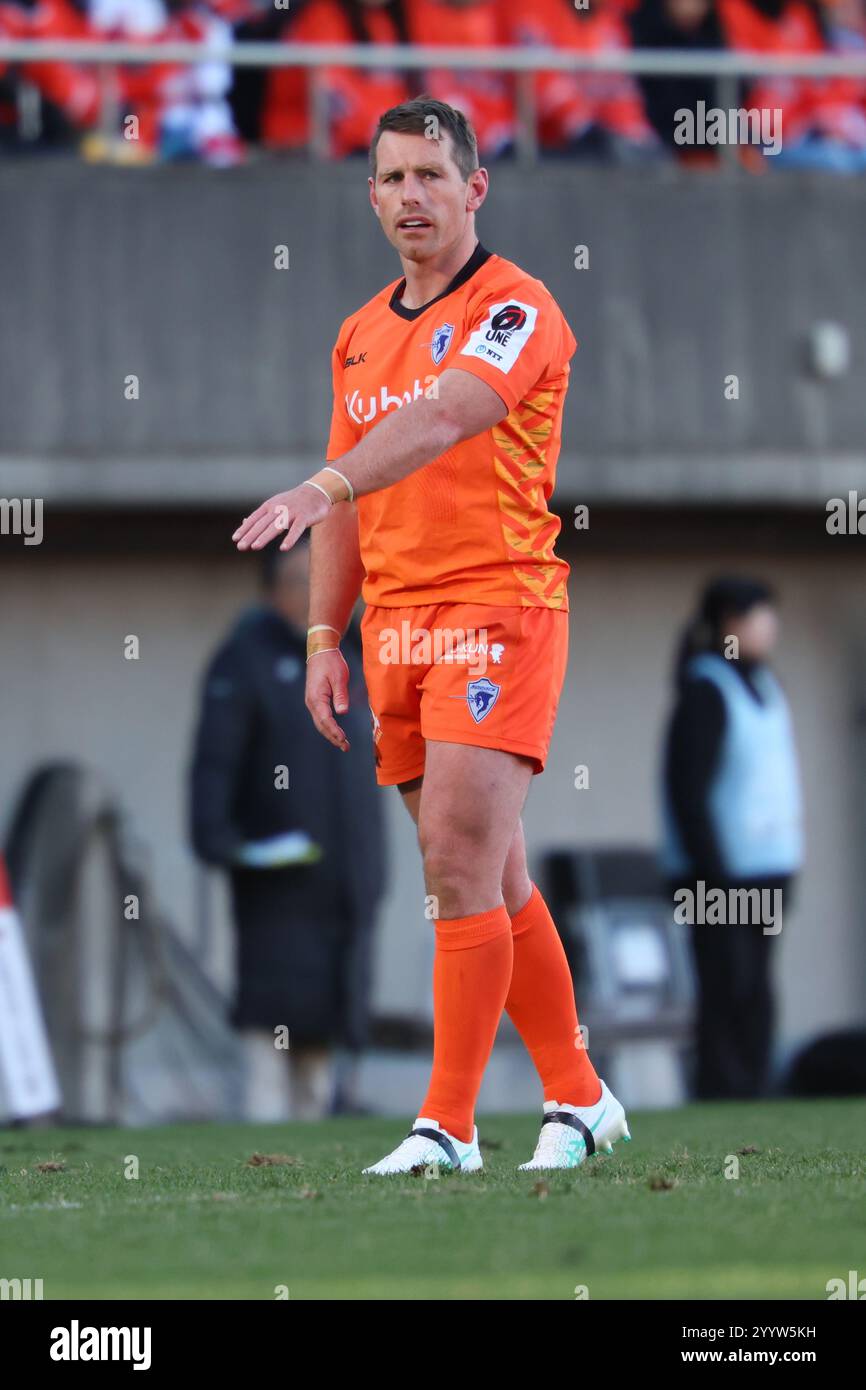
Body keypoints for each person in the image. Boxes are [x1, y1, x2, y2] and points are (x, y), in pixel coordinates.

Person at [232, 96, 631, 1172]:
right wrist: (324, 636)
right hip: (396, 626)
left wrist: (320, 479)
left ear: (474, 189)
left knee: (455, 857)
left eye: (430, 175)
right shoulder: (358, 336)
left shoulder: (516, 306)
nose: (411, 195)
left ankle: (446, 1123)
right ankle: (582, 1098)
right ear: (370, 195)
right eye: (392, 177)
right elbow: (349, 505)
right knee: (488, 871)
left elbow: (449, 414)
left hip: (495, 604)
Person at [189, 538, 385, 1121]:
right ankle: (260, 1159)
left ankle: (315, 1166)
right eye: (303, 579)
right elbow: (213, 769)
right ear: (272, 588)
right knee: (271, 1037)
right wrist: (219, 839)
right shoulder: (244, 660)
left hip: (346, 892)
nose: (316, 592)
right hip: (278, 892)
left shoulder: (354, 658)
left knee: (325, 1042)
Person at [660, 576, 804, 1099]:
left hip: (768, 868)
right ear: (728, 624)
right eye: (756, 614)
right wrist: (712, 872)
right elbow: (688, 791)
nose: (770, 626)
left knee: (757, 990)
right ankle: (723, 1091)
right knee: (726, 988)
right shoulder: (705, 690)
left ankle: (757, 1089)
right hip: (719, 873)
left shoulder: (765, 686)